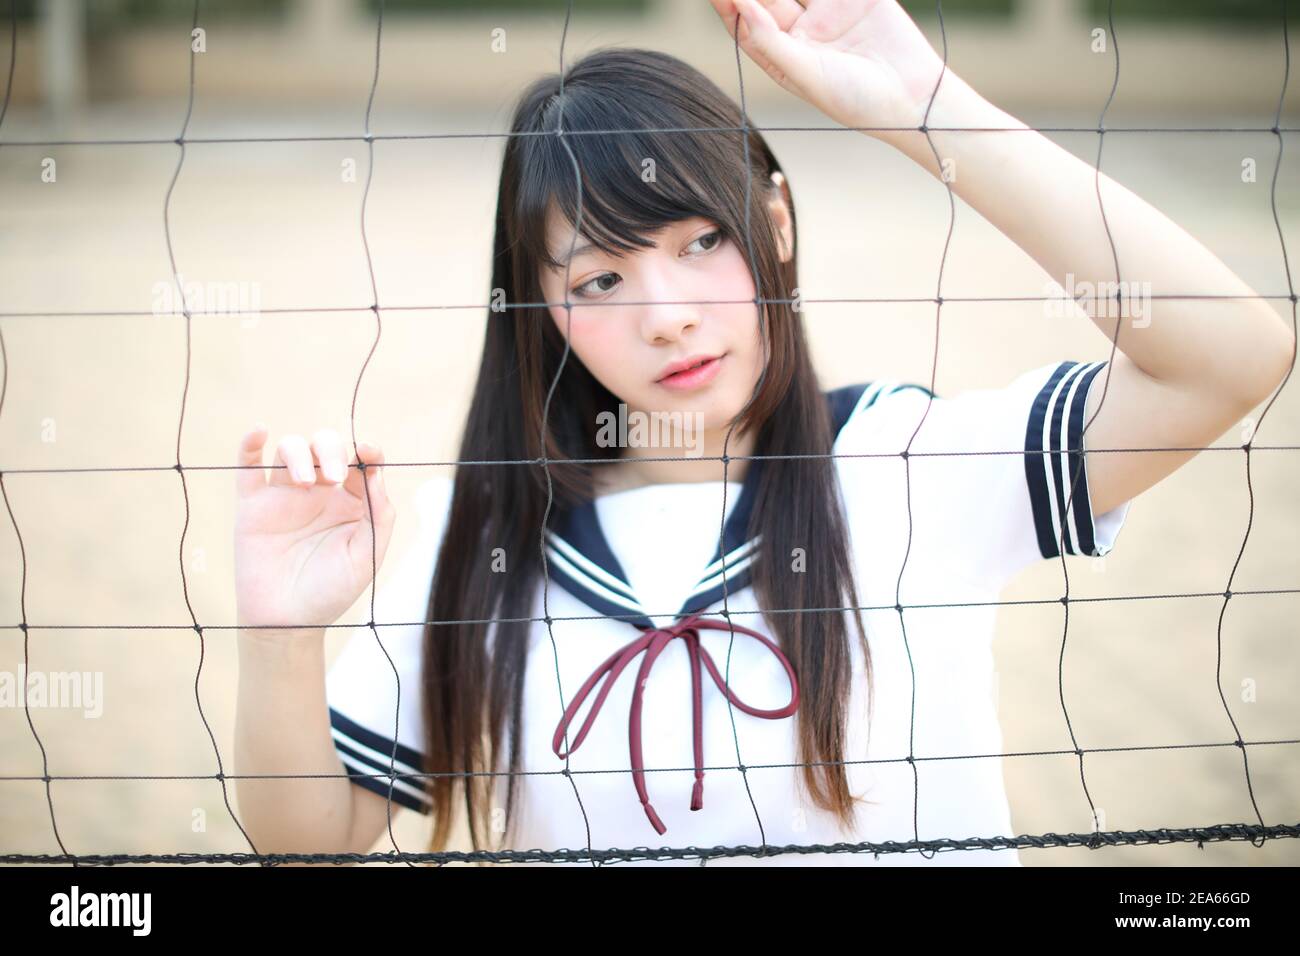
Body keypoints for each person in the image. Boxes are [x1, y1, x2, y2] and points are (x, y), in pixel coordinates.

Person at [231, 0, 1295, 866]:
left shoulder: (903, 465)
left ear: (774, 222)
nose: (667, 312)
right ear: (542, 311)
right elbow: (311, 838)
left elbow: (1229, 358)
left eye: (700, 241)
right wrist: (282, 633)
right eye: (600, 276)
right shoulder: (481, 528)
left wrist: (927, 109)